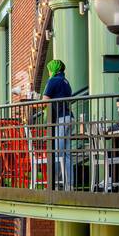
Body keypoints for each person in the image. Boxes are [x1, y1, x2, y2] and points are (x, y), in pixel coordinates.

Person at [44, 58, 74, 189]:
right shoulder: (66, 82)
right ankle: (69, 185)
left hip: (61, 118)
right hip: (69, 117)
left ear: (53, 69)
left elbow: (45, 100)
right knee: (67, 154)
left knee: (56, 152)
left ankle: (54, 184)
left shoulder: (53, 81)